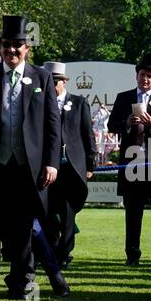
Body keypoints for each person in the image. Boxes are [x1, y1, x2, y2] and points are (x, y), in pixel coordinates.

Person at [0, 15, 63, 300]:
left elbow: (52, 124)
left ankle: (21, 282)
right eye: (7, 45)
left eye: (17, 46)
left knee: (23, 226)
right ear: (1, 48)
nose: (12, 51)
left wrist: (51, 162)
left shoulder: (42, 78)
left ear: (27, 48)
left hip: (27, 166)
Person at [108, 53, 151, 266]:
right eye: (141, 74)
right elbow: (112, 126)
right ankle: (132, 255)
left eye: (149, 75)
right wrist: (127, 123)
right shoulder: (124, 97)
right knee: (133, 212)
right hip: (132, 162)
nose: (144, 79)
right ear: (136, 75)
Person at [45, 61, 97, 269]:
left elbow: (88, 135)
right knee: (48, 211)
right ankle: (52, 248)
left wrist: (90, 164)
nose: (52, 86)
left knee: (68, 213)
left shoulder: (79, 102)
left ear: (63, 82)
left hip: (72, 167)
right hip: (48, 166)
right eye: (49, 82)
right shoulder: (40, 103)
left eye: (55, 82)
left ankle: (64, 253)